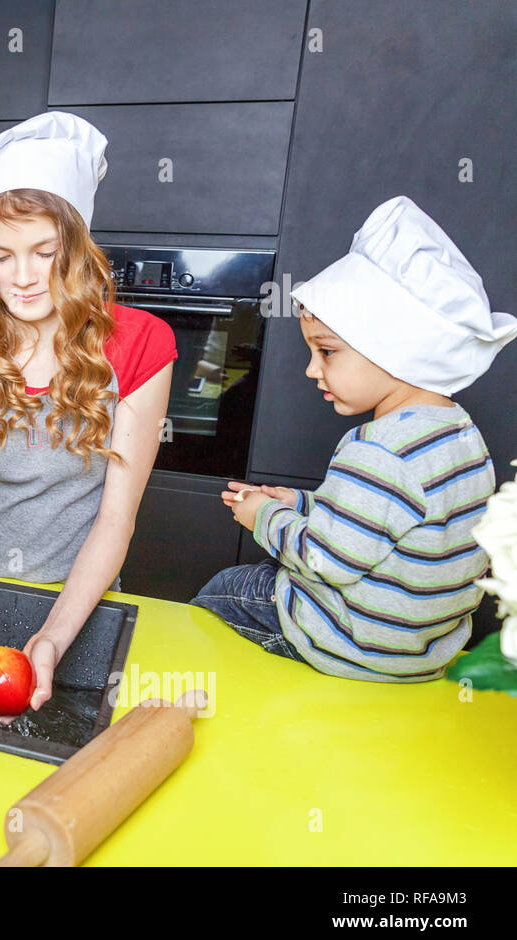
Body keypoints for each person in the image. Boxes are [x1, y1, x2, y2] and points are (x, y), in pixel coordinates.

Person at [192, 196, 517, 682]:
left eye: (327, 352)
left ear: (394, 347)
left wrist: (264, 516)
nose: (311, 369)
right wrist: (302, 502)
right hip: (419, 651)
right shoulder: (462, 435)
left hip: (352, 642)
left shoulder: (376, 448)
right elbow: (386, 525)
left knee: (227, 587)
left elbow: (328, 561)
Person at [0, 112, 176, 711]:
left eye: (44, 252)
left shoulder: (141, 347)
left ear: (78, 247)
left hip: (81, 611)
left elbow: (117, 517)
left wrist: (52, 640)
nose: (24, 277)